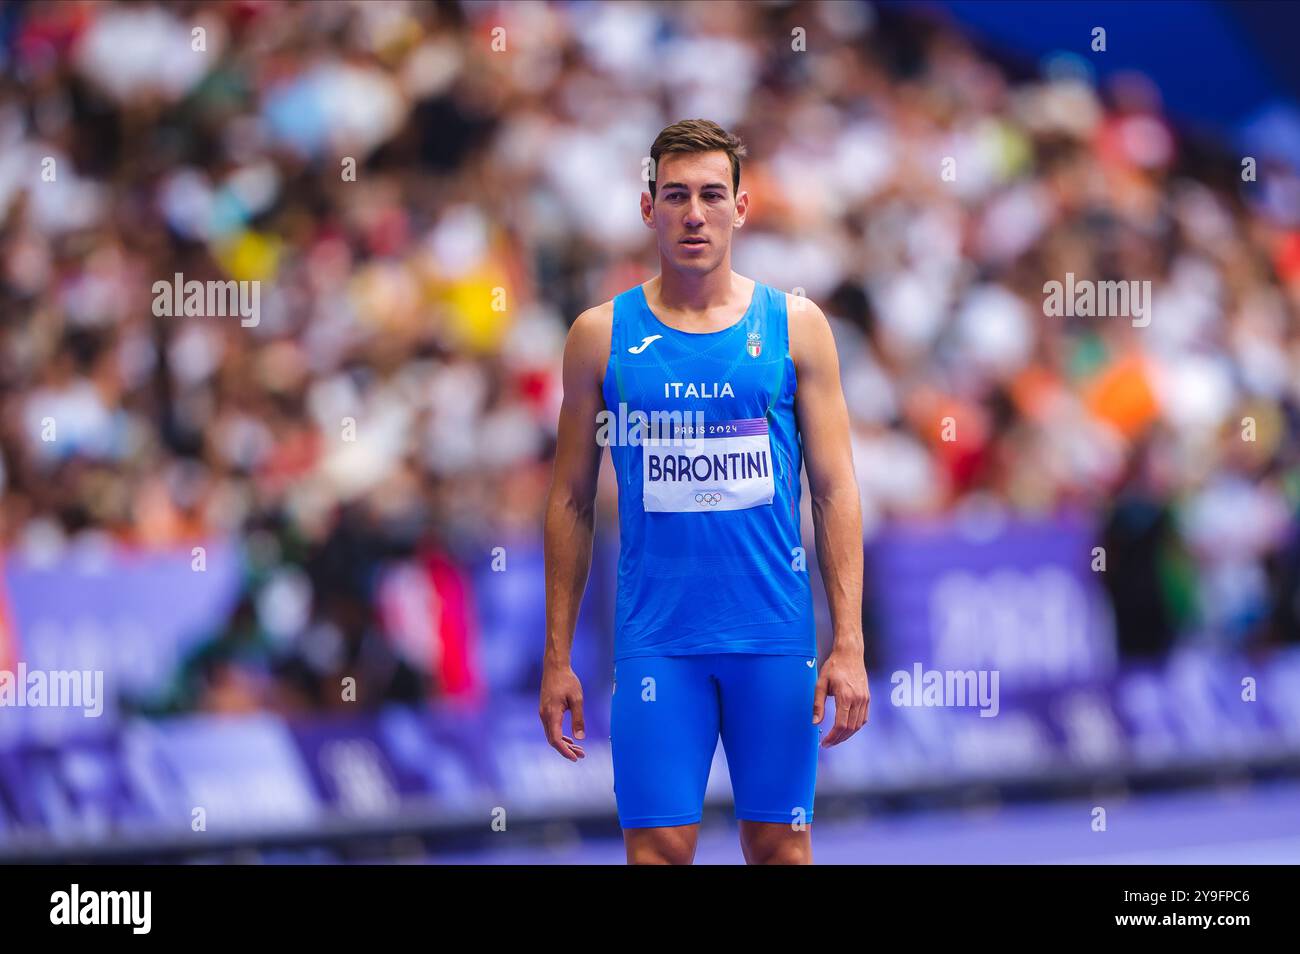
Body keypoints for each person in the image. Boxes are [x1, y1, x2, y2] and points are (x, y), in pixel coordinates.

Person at [540, 119, 868, 865]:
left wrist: (847, 641)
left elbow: (836, 487)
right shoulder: (600, 335)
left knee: (781, 849)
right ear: (648, 207)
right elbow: (569, 500)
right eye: (677, 195)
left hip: (773, 638)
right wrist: (557, 657)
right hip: (659, 645)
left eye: (712, 195)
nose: (695, 214)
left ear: (742, 208)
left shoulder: (795, 326)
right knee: (658, 849)